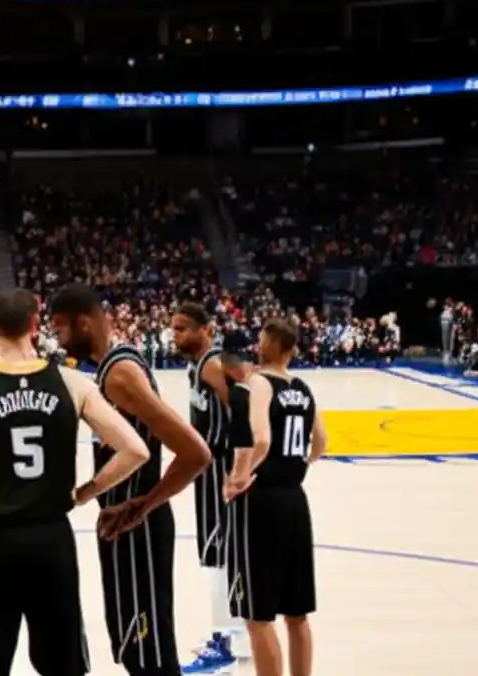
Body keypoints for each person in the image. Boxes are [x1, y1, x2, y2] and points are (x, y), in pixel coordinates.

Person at [0, 288, 149, 676]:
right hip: (50, 538)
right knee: (62, 663)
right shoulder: (71, 383)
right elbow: (135, 450)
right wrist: (87, 492)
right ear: (35, 326)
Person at [48, 284, 211, 676]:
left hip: (137, 529)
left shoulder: (120, 375)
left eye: (60, 329)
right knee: (135, 647)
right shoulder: (115, 367)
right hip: (127, 527)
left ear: (83, 323)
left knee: (148, 654)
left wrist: (145, 504)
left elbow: (196, 453)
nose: (58, 339)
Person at [223, 320, 327, 676]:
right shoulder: (303, 387)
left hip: (264, 501)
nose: (258, 343)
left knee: (258, 614)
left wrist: (238, 477)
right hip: (296, 500)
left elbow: (261, 439)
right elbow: (323, 443)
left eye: (263, 338)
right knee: (297, 614)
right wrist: (299, 464)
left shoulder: (259, 382)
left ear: (272, 345)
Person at [169, 303, 242, 672]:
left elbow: (242, 411)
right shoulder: (195, 366)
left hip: (221, 468)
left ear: (205, 330)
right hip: (208, 467)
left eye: (182, 328)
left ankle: (226, 643)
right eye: (174, 328)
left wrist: (239, 467)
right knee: (213, 554)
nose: (175, 335)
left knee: (217, 554)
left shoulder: (213, 364)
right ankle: (228, 635)